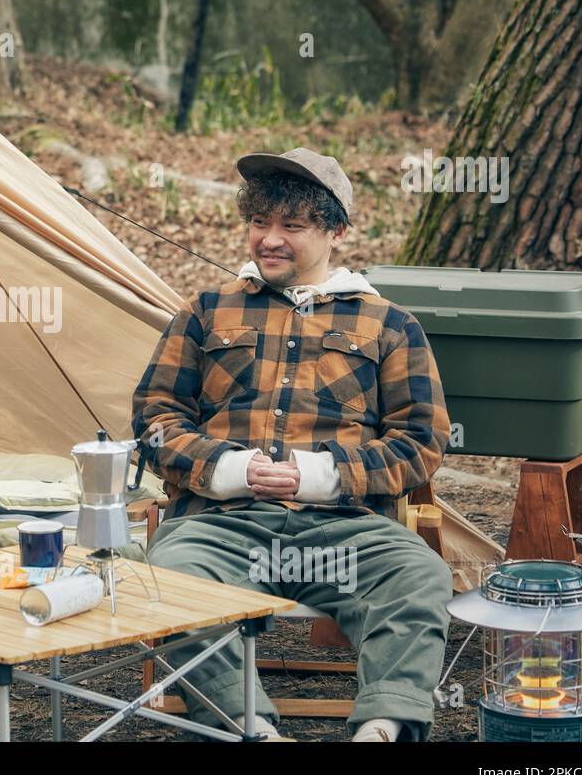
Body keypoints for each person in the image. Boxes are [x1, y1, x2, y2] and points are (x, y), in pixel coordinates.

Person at [132, 148, 453, 742]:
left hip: (346, 528)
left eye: (291, 226)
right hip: (223, 527)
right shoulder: (204, 312)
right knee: (170, 578)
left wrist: (320, 476)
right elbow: (154, 419)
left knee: (420, 575)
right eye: (259, 223)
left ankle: (382, 729)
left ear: (336, 231)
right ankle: (250, 727)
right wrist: (225, 468)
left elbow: (423, 442)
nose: (269, 239)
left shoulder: (389, 325)